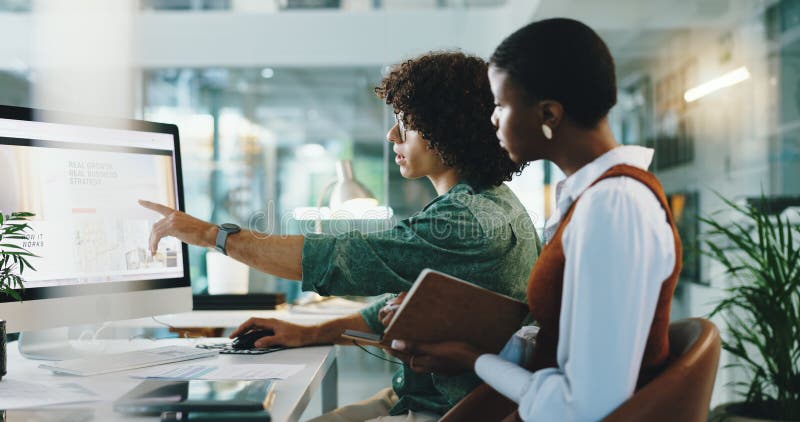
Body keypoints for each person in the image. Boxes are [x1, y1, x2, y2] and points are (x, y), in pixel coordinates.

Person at [140, 51, 541, 421]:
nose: (392, 136)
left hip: (447, 410)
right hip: (433, 398)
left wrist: (211, 235)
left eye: (406, 123)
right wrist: (308, 332)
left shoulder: (466, 220)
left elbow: (338, 258)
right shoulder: (492, 203)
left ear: (445, 131)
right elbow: (410, 306)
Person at [389, 19, 682, 421]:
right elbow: (563, 349)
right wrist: (469, 351)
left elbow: (583, 407)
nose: (491, 120)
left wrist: (476, 360)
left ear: (548, 114)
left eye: (501, 106)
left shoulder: (613, 206)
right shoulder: (593, 198)